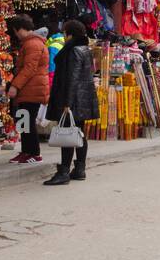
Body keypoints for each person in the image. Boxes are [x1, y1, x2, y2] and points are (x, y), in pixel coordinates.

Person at [43, 19, 98, 185]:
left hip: (72, 99)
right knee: (78, 133)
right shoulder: (85, 49)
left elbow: (72, 78)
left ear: (70, 34)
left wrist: (67, 102)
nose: (64, 36)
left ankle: (64, 172)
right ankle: (80, 169)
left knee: (67, 134)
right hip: (83, 98)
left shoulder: (73, 51)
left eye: (65, 33)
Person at [7, 13, 49, 165]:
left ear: (19, 29)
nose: (16, 35)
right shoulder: (31, 43)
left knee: (27, 121)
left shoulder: (32, 44)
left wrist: (15, 86)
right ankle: (26, 151)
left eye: (15, 31)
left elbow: (29, 69)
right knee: (23, 120)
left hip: (32, 89)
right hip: (29, 88)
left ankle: (34, 153)